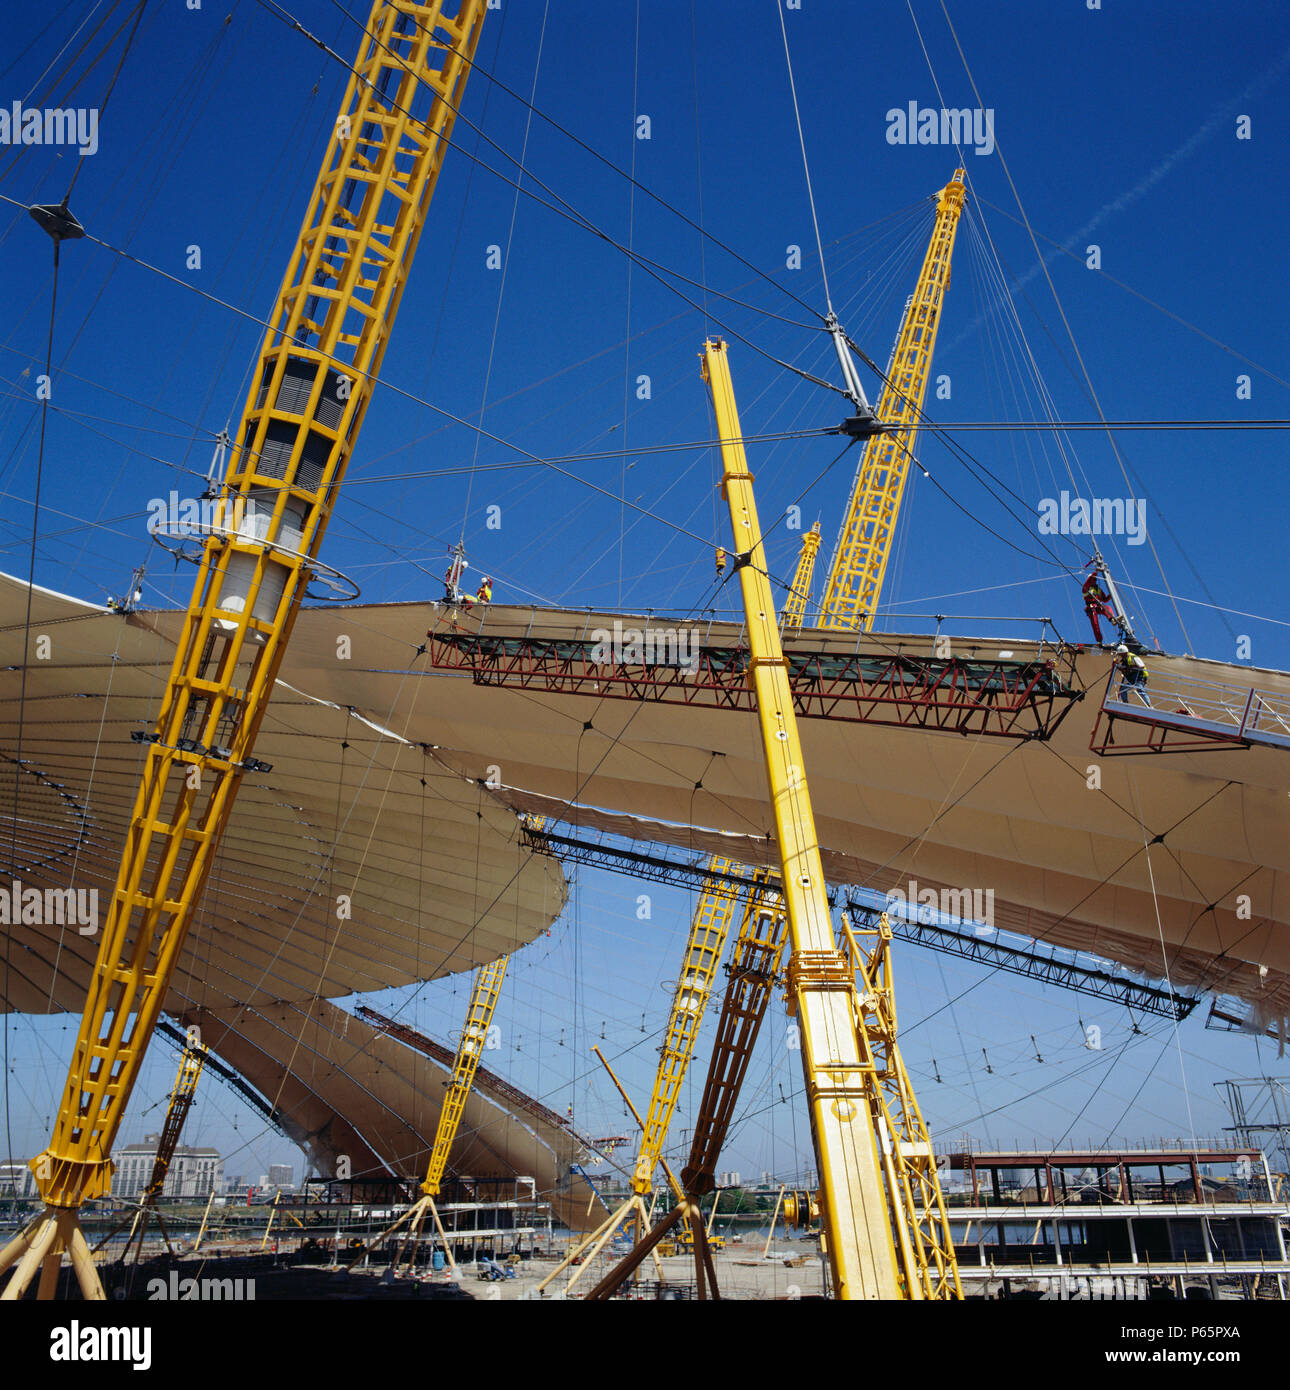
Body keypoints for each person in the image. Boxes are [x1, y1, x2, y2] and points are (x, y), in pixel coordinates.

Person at [1082, 571, 1118, 646]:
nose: (1095, 581)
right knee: (1095, 624)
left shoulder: (1098, 589)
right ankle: (1099, 641)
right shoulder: (1086, 587)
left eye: (1095, 579)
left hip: (1098, 606)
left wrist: (1112, 592)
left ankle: (1112, 619)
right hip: (1091, 608)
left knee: (1107, 608)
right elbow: (1089, 580)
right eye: (1093, 579)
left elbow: (1104, 599)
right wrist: (1096, 572)